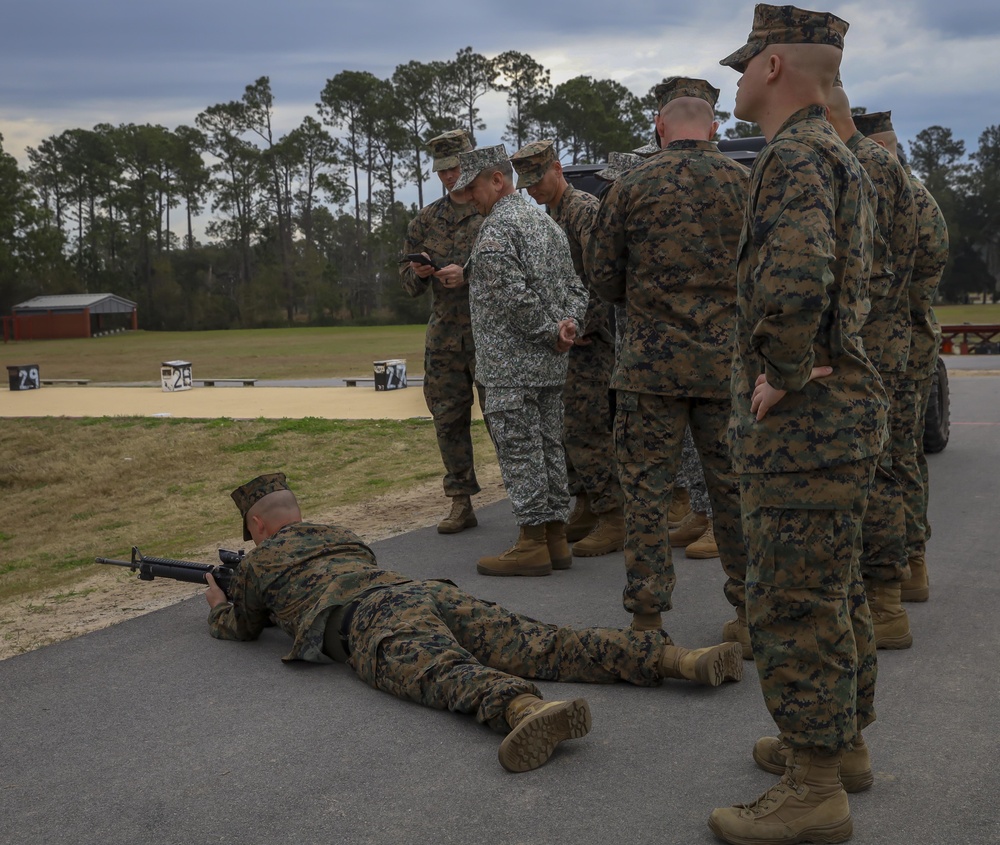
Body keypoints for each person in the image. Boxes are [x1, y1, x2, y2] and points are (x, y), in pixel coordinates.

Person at [204, 473, 744, 773]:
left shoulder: (257, 562)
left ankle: (525, 708)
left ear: (257, 525)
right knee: (543, 642)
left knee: (444, 673)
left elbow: (243, 625)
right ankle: (678, 659)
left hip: (368, 619)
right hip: (423, 593)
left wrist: (217, 605)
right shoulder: (342, 535)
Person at [711, 6, 888, 843]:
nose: (736, 79)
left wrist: (781, 371)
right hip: (843, 415)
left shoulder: (792, 156)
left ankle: (815, 786)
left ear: (774, 64)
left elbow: (797, 275)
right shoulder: (837, 152)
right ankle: (838, 743)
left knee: (792, 601)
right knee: (834, 585)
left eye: (744, 64)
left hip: (808, 427)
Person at [584, 76, 748, 633]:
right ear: (716, 129)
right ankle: (750, 614)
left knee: (647, 493)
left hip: (649, 371)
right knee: (733, 492)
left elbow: (602, 279)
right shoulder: (746, 184)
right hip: (726, 368)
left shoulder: (630, 188)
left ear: (659, 128)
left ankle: (648, 621)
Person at [451, 144, 589, 577]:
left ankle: (532, 543)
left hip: (511, 368)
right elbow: (575, 287)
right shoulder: (545, 225)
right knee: (548, 447)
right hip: (549, 365)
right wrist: (568, 325)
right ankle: (554, 540)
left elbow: (513, 298)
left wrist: (553, 331)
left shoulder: (495, 231)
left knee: (520, 451)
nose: (470, 197)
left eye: (473, 188)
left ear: (497, 179)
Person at [827, 102, 918, 650]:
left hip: (869, 345)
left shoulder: (865, 166)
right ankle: (875, 597)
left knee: (876, 471)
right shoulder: (866, 163)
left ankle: (885, 603)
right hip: (872, 340)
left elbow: (876, 267)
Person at [509, 139, 625, 559]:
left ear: (557, 169)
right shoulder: (553, 214)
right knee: (566, 428)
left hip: (591, 341)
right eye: (526, 183)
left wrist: (583, 327)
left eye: (538, 179)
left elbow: (602, 278)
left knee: (587, 428)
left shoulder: (581, 211)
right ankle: (589, 503)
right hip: (570, 338)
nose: (532, 189)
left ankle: (615, 515)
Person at [400, 129, 485, 536]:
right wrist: (417, 273)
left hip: (491, 333)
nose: (450, 177)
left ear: (471, 163)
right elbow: (408, 284)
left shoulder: (494, 212)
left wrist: (466, 274)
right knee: (447, 419)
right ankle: (461, 501)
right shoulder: (426, 220)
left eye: (455, 168)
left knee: (506, 419)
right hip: (446, 338)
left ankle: (527, 500)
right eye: (442, 171)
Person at [898, 152, 950, 603]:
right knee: (906, 456)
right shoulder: (922, 198)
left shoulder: (892, 191)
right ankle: (913, 564)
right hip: (911, 342)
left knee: (891, 461)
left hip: (891, 347)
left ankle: (903, 566)